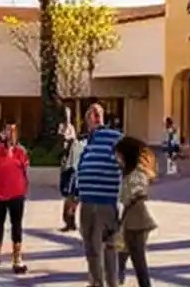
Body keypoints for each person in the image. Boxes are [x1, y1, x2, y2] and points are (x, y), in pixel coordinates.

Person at [76, 103, 122, 287]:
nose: (94, 117)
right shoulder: (89, 142)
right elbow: (78, 169)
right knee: (100, 246)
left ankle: (102, 283)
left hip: (100, 202)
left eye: (96, 114)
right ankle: (101, 282)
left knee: (99, 247)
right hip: (93, 201)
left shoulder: (113, 137)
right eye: (92, 114)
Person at [114, 136, 158, 287]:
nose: (117, 158)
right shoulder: (127, 172)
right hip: (129, 221)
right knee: (119, 259)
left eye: (118, 154)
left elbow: (138, 193)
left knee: (138, 262)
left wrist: (125, 211)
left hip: (137, 221)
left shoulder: (137, 172)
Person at [0, 123, 30, 274]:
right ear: (2, 134)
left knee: (16, 224)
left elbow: (25, 170)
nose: (11, 135)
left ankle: (17, 257)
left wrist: (24, 188)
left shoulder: (21, 152)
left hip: (17, 193)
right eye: (8, 132)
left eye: (13, 132)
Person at [58, 121, 85, 231]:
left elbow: (73, 164)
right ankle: (71, 223)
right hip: (69, 174)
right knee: (71, 200)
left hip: (72, 175)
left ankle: (70, 222)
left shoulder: (75, 145)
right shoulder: (68, 146)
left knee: (71, 201)